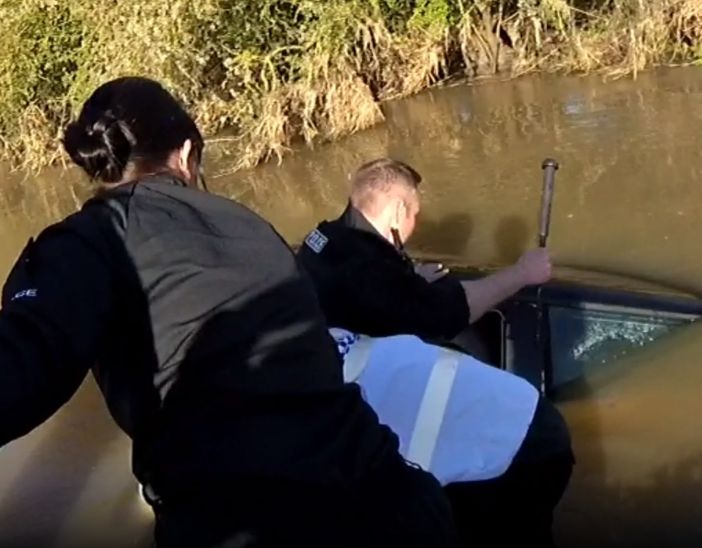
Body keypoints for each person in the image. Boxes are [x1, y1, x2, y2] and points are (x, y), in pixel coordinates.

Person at [0, 78, 458, 548]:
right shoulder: (251, 225)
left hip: (250, 525)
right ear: (185, 155)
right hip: (398, 503)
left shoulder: (90, 239)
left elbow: (21, 371)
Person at [296, 158, 575, 548]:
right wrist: (522, 274)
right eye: (415, 214)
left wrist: (408, 280)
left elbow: (374, 292)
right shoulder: (370, 278)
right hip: (519, 439)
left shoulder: (322, 241)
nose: (415, 225)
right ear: (398, 210)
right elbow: (449, 314)